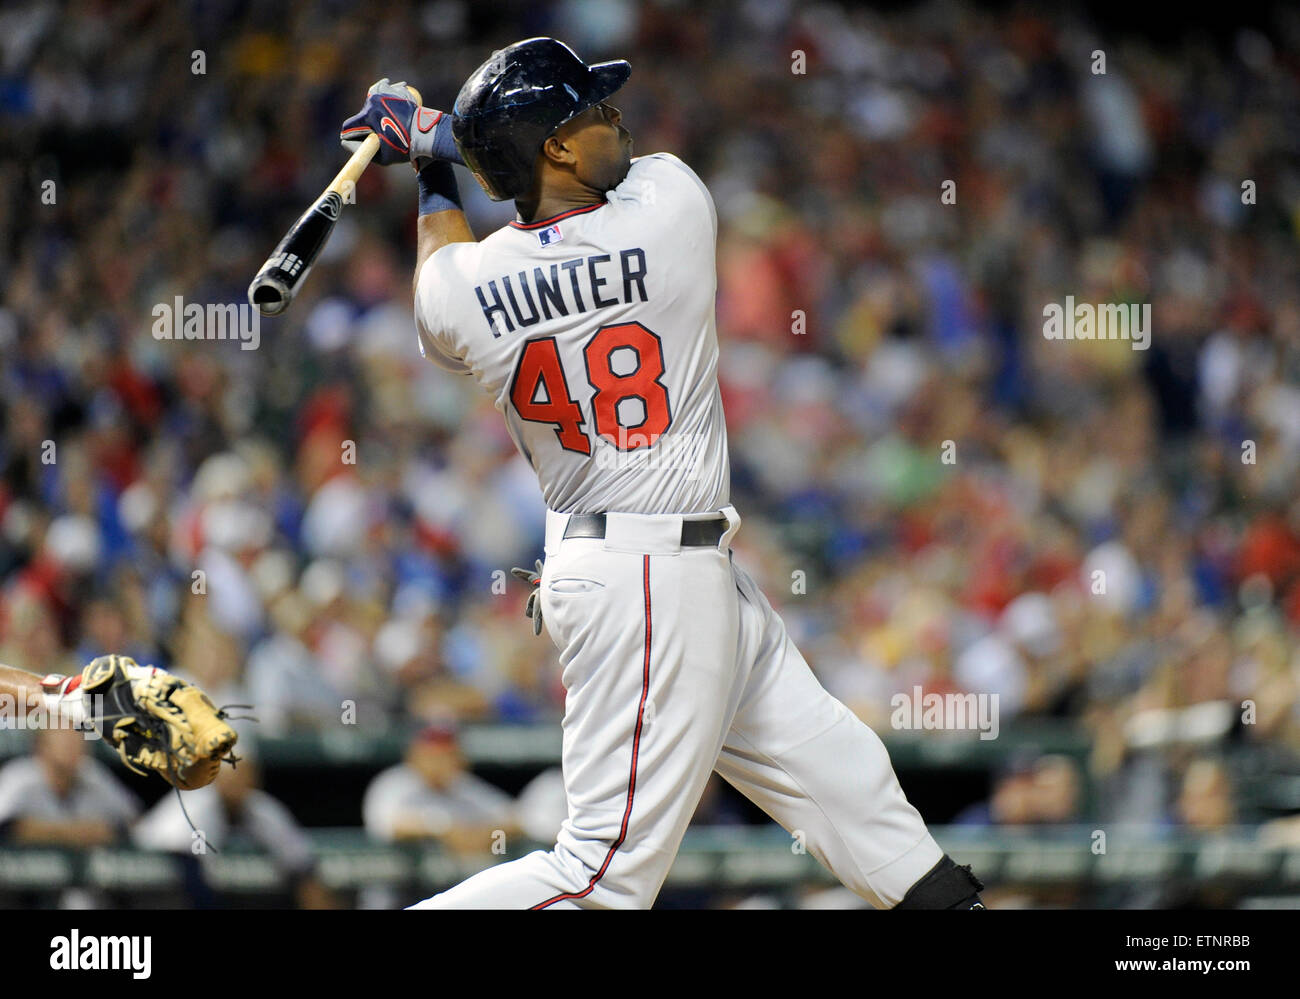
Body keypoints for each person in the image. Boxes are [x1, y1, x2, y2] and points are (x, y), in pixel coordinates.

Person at [338, 36, 983, 910]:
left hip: (649, 564)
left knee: (842, 773)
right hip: (646, 574)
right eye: (591, 112)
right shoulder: (670, 204)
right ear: (557, 148)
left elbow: (438, 275)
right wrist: (436, 135)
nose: (616, 120)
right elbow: (507, 172)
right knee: (599, 878)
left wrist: (428, 161)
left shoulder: (466, 292)